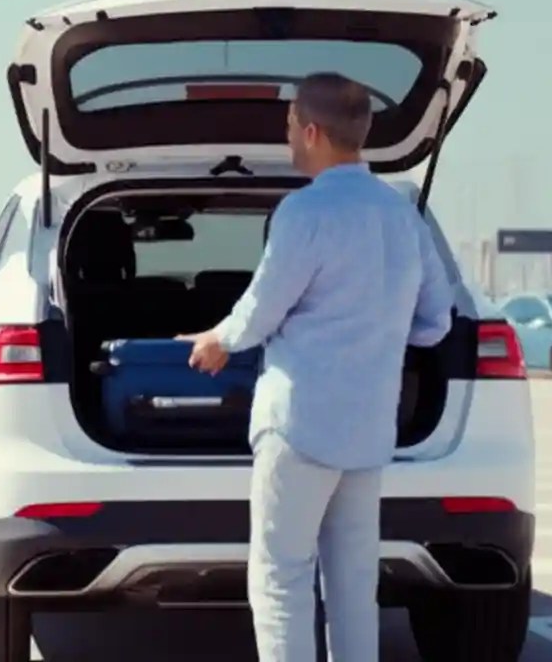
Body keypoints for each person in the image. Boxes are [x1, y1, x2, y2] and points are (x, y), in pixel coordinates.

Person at [178, 72, 454, 661]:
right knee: (356, 585)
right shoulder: (402, 215)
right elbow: (436, 322)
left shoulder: (305, 212)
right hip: (370, 429)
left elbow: (261, 307)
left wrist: (217, 340)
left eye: (288, 129)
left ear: (311, 130)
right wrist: (374, 329)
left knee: (280, 577)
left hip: (301, 427)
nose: (287, 143)